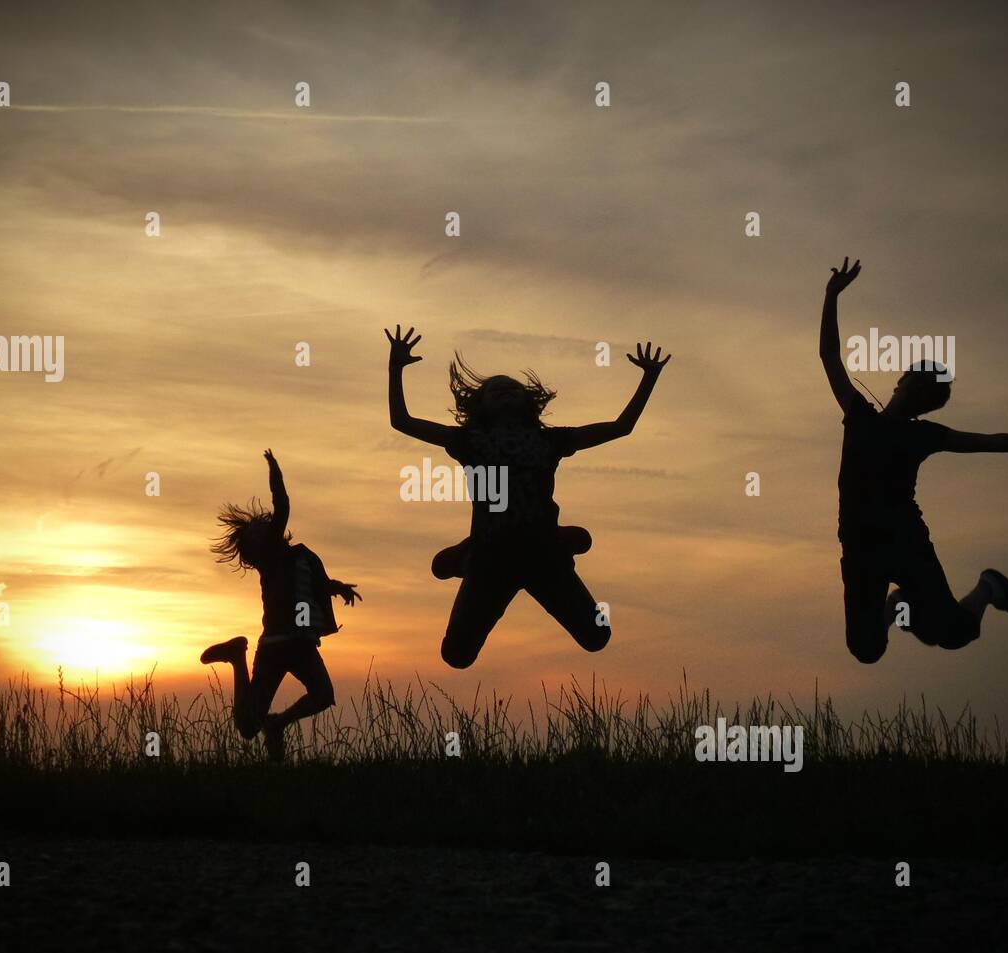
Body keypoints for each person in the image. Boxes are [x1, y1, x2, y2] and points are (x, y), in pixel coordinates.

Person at [820, 258, 1008, 663]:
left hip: (906, 541)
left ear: (929, 407)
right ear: (901, 382)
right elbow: (829, 356)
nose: (921, 393)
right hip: (860, 547)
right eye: (921, 382)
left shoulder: (923, 436)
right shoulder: (859, 414)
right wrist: (831, 296)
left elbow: (995, 442)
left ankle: (989, 587)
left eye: (931, 395)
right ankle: (899, 609)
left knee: (953, 634)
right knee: (866, 649)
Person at [387, 324, 671, 667]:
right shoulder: (469, 440)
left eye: (512, 388)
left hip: (543, 553)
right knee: (456, 655)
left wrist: (649, 378)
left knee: (597, 637)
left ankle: (549, 540)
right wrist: (396, 366)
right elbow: (401, 422)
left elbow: (620, 427)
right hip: (491, 557)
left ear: (528, 400)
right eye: (495, 391)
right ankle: (467, 554)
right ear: (480, 406)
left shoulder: (551, 440)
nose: (505, 391)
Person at [200, 449, 361, 760]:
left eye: (260, 526)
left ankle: (277, 725)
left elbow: (310, 585)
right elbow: (282, 506)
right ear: (255, 550)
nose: (265, 527)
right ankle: (237, 657)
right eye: (255, 533)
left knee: (324, 696)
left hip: (301, 643)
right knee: (247, 726)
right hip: (274, 646)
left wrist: (336, 587)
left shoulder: (299, 555)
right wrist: (275, 472)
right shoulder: (270, 558)